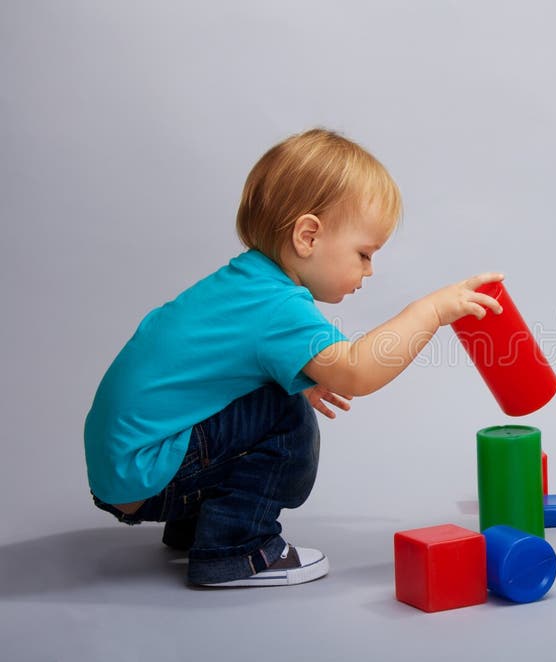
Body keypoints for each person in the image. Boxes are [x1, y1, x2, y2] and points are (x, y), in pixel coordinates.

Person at [84, 128, 503, 587]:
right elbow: (356, 371)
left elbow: (212, 375)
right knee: (286, 418)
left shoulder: (245, 283)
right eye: (364, 253)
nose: (370, 270)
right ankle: (235, 551)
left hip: (125, 469)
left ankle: (199, 526)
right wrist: (430, 312)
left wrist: (296, 379)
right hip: (148, 474)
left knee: (279, 395)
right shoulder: (278, 305)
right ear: (308, 236)